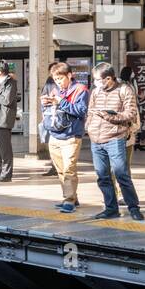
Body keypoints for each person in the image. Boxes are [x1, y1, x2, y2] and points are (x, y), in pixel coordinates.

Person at [86, 62, 143, 221]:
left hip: (115, 138)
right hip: (96, 139)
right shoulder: (96, 91)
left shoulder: (125, 90)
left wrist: (109, 116)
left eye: (98, 79)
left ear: (109, 78)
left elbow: (130, 114)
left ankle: (134, 207)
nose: (95, 83)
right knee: (102, 176)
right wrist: (88, 126)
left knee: (121, 174)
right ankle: (111, 208)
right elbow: (90, 111)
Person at [41, 63, 89, 213]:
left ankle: (69, 200)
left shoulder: (81, 90)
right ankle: (71, 196)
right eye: (55, 79)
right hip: (55, 134)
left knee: (69, 169)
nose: (58, 82)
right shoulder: (56, 90)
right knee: (60, 170)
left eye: (60, 78)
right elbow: (51, 111)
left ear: (69, 75)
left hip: (71, 135)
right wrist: (46, 104)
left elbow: (81, 111)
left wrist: (61, 102)